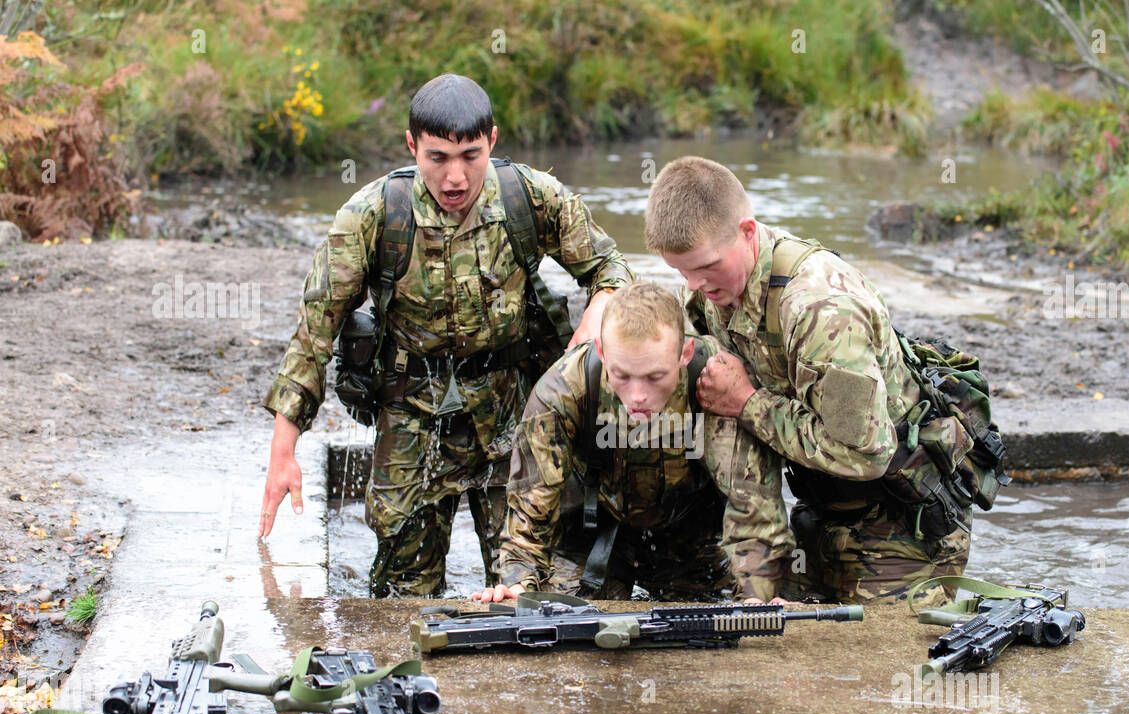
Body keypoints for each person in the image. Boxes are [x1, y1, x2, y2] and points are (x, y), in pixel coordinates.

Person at [258, 74, 632, 597]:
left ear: (492, 141)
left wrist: (595, 319)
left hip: (511, 415)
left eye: (471, 156)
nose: (455, 176)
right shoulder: (372, 216)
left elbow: (611, 268)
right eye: (437, 158)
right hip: (410, 415)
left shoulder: (532, 198)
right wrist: (283, 451)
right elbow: (313, 333)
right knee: (401, 597)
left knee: (528, 589)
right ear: (412, 147)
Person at [642, 156, 972, 605]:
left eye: (707, 267)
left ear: (747, 231)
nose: (696, 284)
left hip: (903, 523)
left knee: (872, 659)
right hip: (818, 512)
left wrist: (747, 402)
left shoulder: (820, 311)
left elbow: (868, 455)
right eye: (681, 272)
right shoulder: (713, 289)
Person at [473, 279, 792, 603]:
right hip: (591, 530)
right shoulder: (563, 391)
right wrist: (518, 581)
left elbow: (751, 503)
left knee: (720, 622)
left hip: (688, 537)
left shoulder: (717, 382)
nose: (638, 395)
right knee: (564, 618)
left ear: (684, 354)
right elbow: (530, 509)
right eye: (622, 375)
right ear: (601, 351)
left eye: (655, 377)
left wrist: (756, 595)